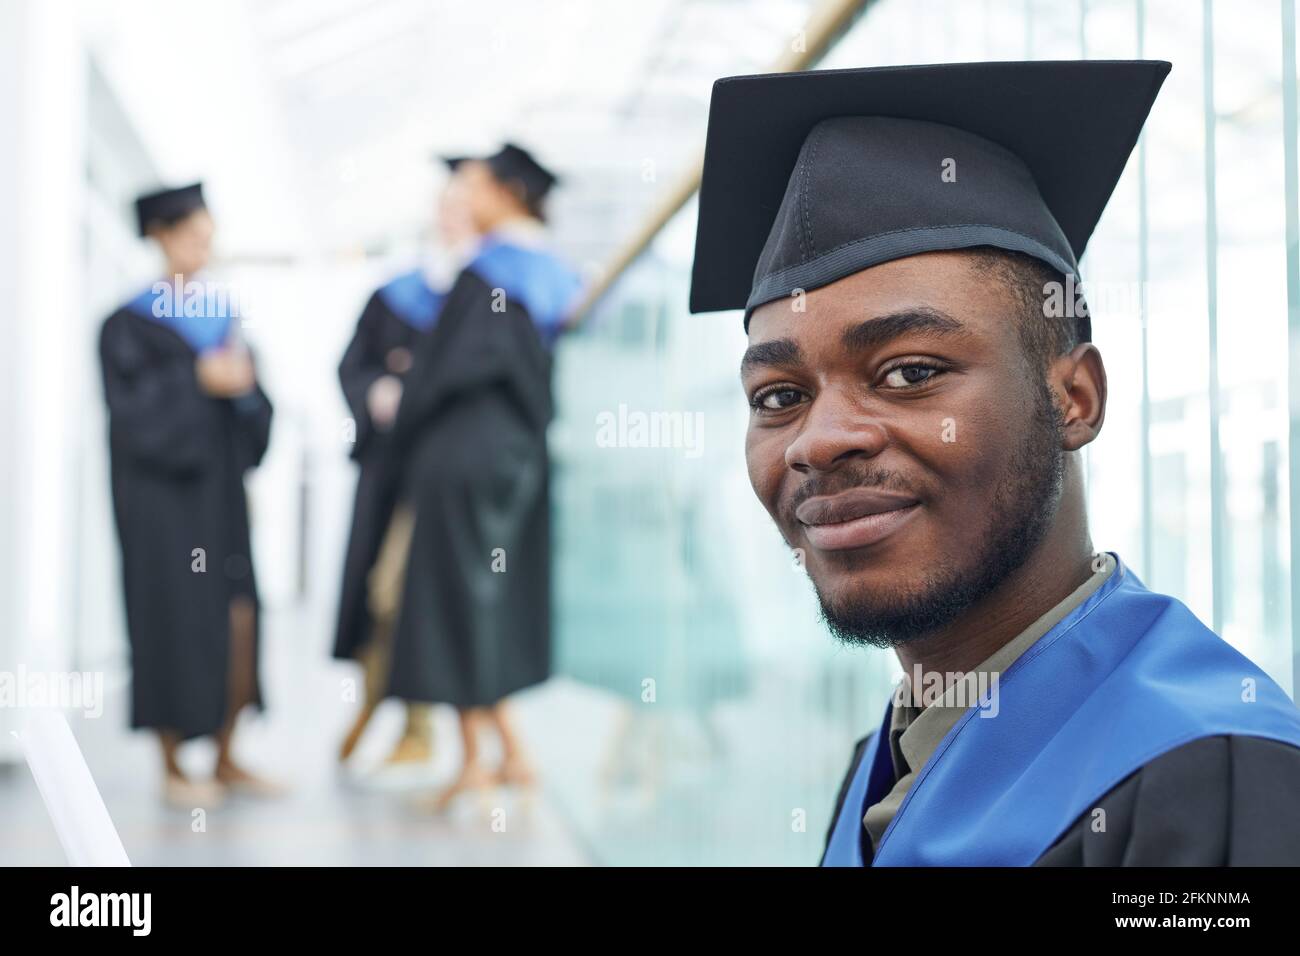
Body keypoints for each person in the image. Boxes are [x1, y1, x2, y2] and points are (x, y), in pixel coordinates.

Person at [688, 60, 1300, 866]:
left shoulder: (1209, 784)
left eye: (910, 372)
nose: (819, 440)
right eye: (777, 396)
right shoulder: (890, 763)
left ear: (1074, 399)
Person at [387, 143, 582, 809]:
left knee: (456, 599)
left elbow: (444, 375)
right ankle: (500, 755)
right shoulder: (551, 275)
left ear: (507, 194)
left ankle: (480, 760)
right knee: (484, 597)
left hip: (464, 456)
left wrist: (403, 399)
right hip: (515, 457)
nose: (463, 199)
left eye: (474, 186)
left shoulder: (489, 277)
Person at [99, 183, 278, 807]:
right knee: (168, 619)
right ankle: (173, 766)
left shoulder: (225, 319)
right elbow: (131, 421)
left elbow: (257, 422)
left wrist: (247, 391)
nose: (204, 248)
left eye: (209, 237)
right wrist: (197, 381)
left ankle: (227, 755)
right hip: (161, 507)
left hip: (222, 500)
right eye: (193, 236)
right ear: (161, 237)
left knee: (239, 616)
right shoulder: (126, 325)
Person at [333, 181, 478, 771]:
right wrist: (378, 390)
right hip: (394, 471)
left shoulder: (488, 295)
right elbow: (354, 366)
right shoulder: (395, 295)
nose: (450, 219)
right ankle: (392, 714)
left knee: (418, 593)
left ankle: (414, 727)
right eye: (445, 206)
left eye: (463, 208)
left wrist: (415, 379)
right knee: (385, 593)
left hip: (455, 473)